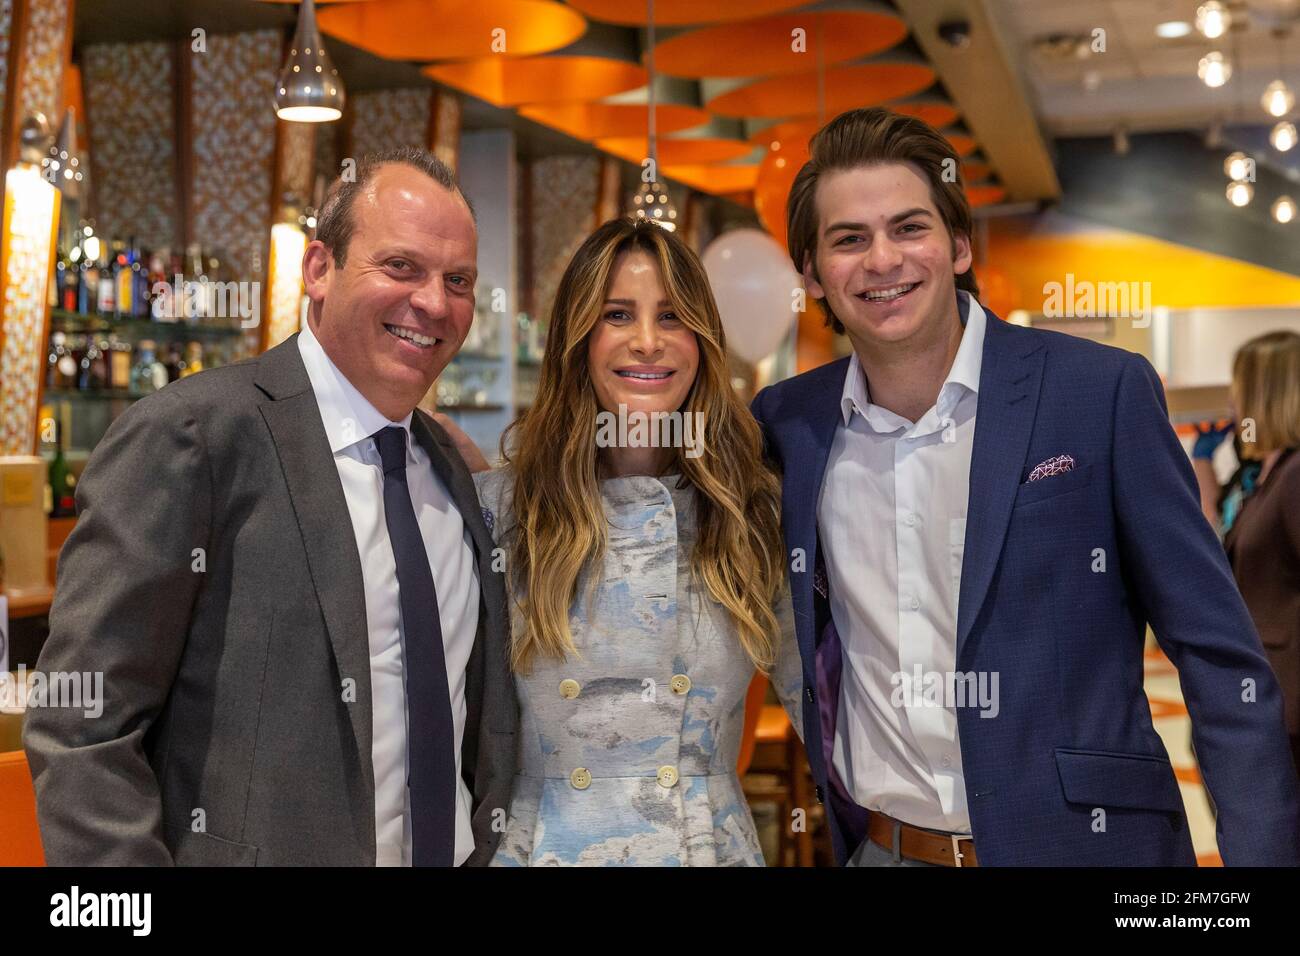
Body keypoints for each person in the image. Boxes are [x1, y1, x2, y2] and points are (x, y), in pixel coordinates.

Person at [750, 107, 1300, 866]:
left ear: (959, 245)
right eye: (848, 239)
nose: (882, 259)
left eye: (909, 228)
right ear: (812, 273)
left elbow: (1216, 654)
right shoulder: (788, 426)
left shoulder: (1097, 393)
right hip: (886, 849)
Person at [24, 147, 517, 866]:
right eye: (401, 266)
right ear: (319, 268)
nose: (435, 304)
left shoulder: (449, 470)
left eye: (458, 280)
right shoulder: (194, 436)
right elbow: (82, 722)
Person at [473, 217, 804, 865]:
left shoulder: (752, 514)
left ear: (703, 342)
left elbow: (823, 704)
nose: (648, 342)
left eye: (673, 317)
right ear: (576, 340)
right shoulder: (502, 511)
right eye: (617, 315)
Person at [1193, 331, 1300, 774]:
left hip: (1289, 697)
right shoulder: (1269, 471)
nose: (1232, 405)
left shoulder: (1294, 475)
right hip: (1269, 691)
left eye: (1238, 390)